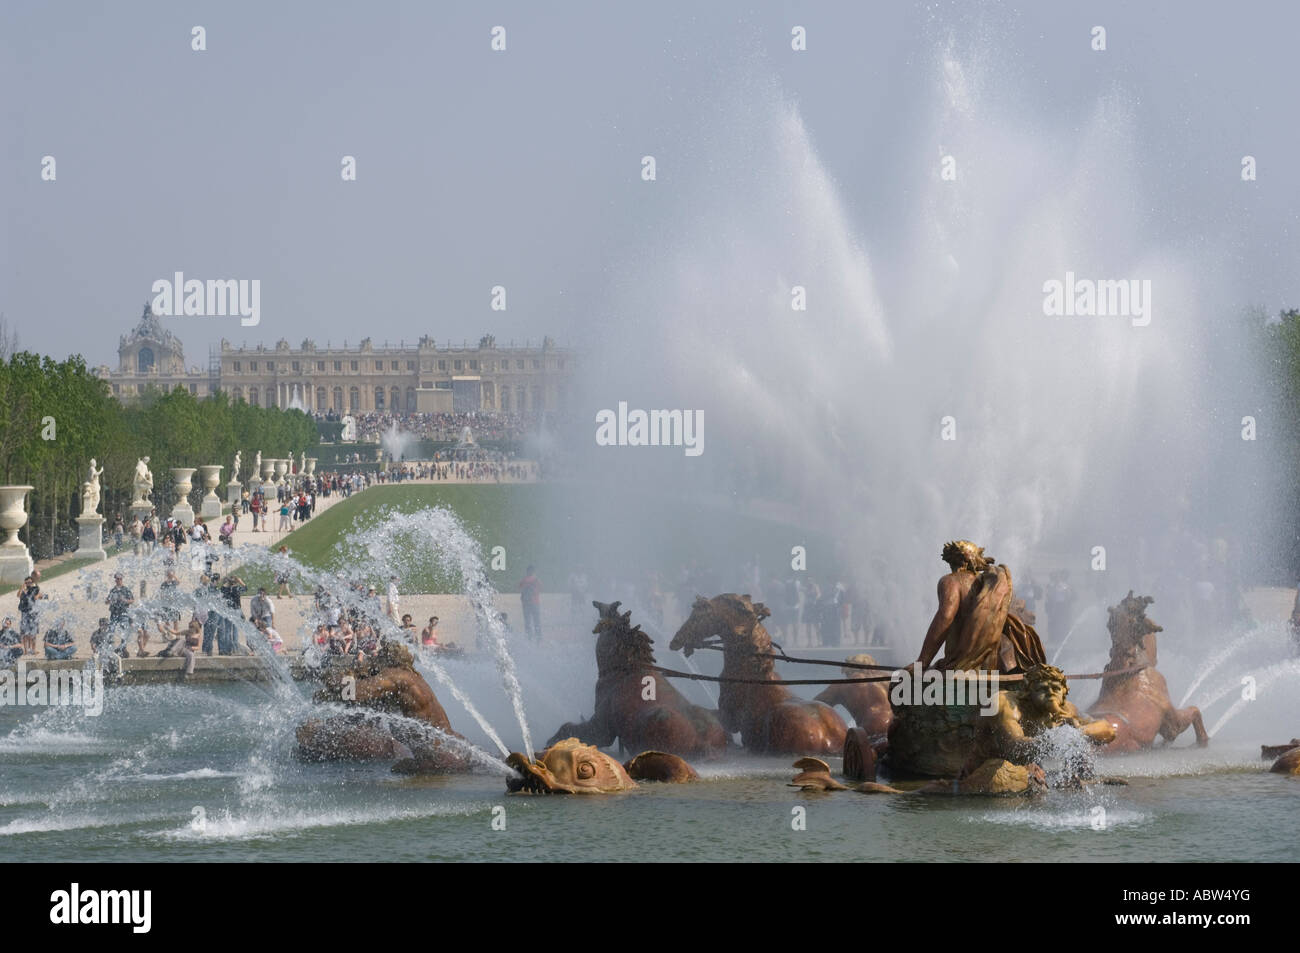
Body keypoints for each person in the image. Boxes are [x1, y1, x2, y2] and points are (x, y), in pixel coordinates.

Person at [18, 574, 45, 656]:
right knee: (25, 633)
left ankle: (33, 649)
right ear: (24, 583)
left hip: (33, 613)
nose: (28, 584)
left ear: (32, 583)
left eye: (30, 582)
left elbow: (41, 596)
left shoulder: (35, 589)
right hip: (25, 613)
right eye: (27, 583)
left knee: (33, 632)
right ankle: (26, 650)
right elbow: (18, 595)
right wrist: (22, 587)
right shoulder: (23, 591)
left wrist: (39, 596)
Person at [519, 565, 542, 641]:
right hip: (533, 603)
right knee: (535, 621)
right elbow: (539, 588)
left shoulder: (525, 580)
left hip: (529, 603)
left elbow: (520, 587)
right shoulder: (535, 580)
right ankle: (536, 637)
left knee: (529, 622)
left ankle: (531, 637)